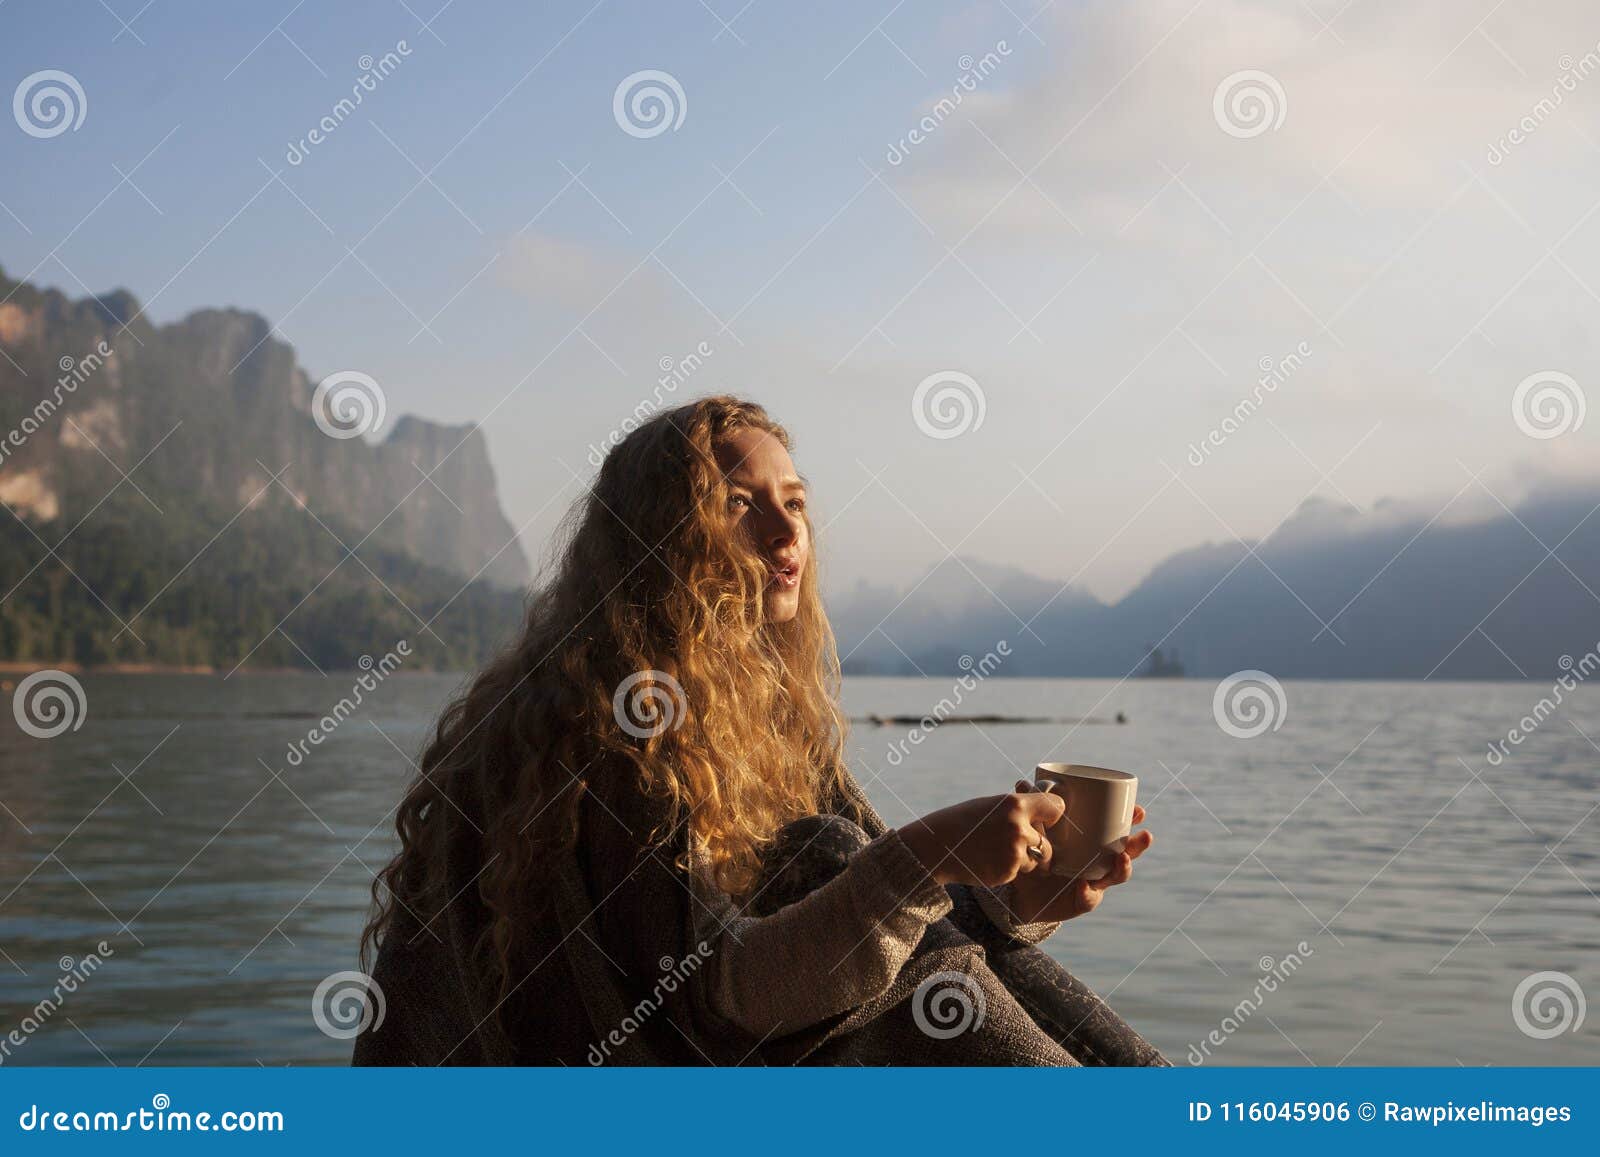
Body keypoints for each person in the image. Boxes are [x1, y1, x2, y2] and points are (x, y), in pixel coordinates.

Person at [354, 396, 1164, 1065]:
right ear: (662, 542)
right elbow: (720, 996)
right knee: (835, 859)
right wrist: (930, 852)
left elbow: (901, 928)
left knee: (879, 886)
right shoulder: (603, 728)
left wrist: (1019, 897)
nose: (787, 535)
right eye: (740, 506)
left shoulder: (764, 713)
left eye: (796, 503)